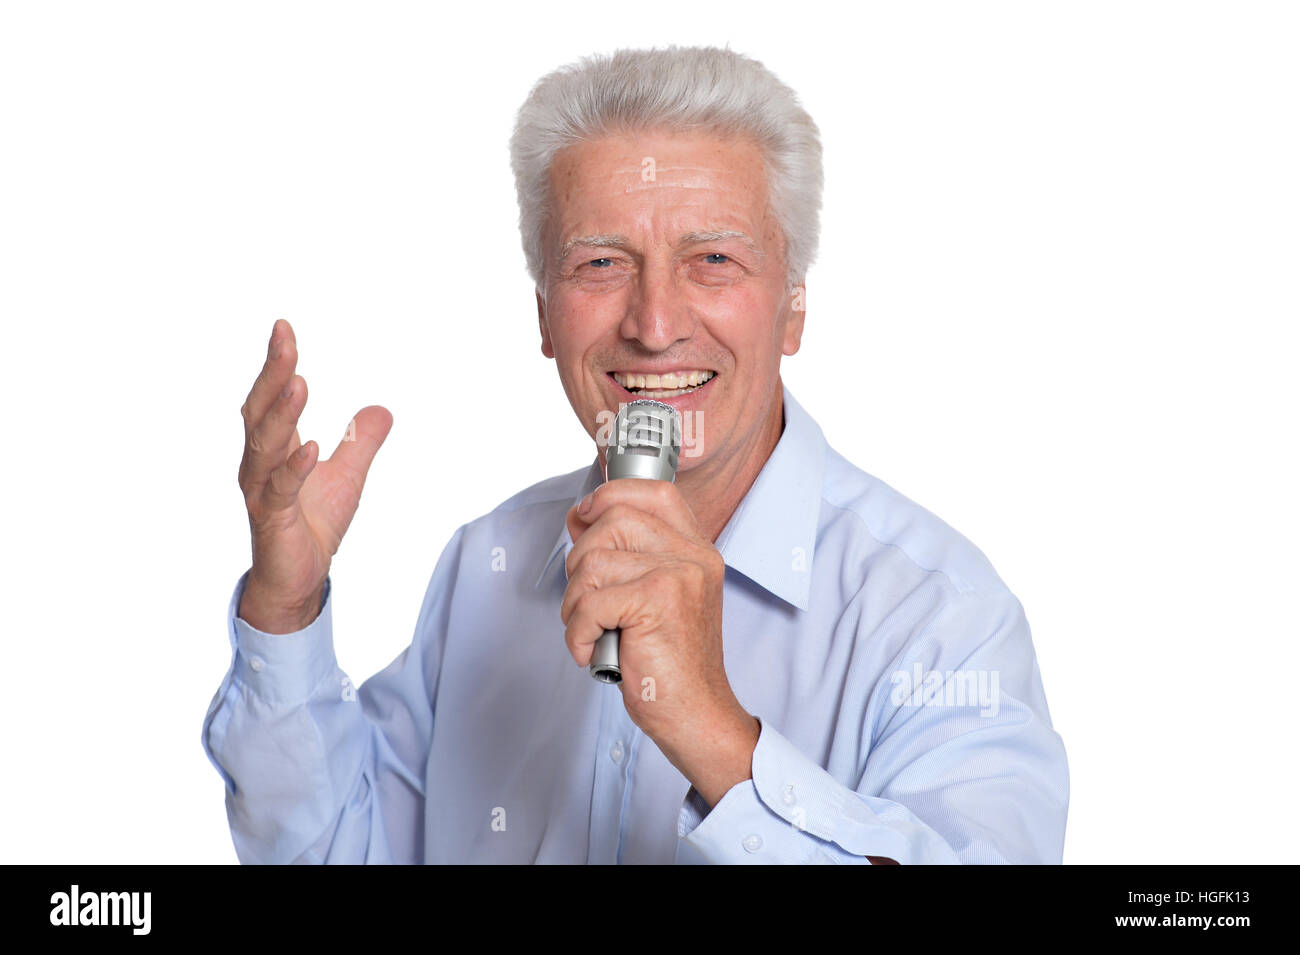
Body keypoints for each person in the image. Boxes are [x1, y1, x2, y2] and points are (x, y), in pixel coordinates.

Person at [202, 45, 1069, 864]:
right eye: (601, 263)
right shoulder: (485, 567)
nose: (654, 326)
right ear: (544, 316)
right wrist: (287, 608)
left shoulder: (941, 621)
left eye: (713, 259)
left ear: (794, 309)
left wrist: (712, 729)